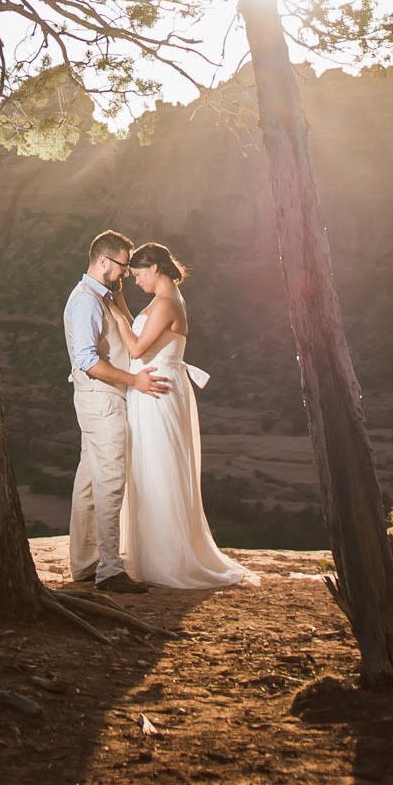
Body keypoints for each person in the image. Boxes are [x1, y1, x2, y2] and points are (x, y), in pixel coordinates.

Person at [113, 243, 249, 592]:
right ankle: (159, 551)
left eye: (140, 274)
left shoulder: (167, 303)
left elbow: (137, 348)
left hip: (157, 392)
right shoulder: (166, 299)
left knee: (160, 467)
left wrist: (113, 314)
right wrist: (121, 305)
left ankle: (168, 557)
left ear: (155, 268)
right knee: (152, 465)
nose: (136, 281)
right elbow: (143, 334)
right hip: (154, 387)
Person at [64, 230, 167, 593]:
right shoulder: (85, 302)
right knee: (110, 481)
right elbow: (87, 361)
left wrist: (118, 292)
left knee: (90, 481)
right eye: (123, 265)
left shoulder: (102, 296)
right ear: (103, 261)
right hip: (102, 398)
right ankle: (109, 569)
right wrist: (133, 381)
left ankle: (84, 563)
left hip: (99, 399)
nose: (126, 272)